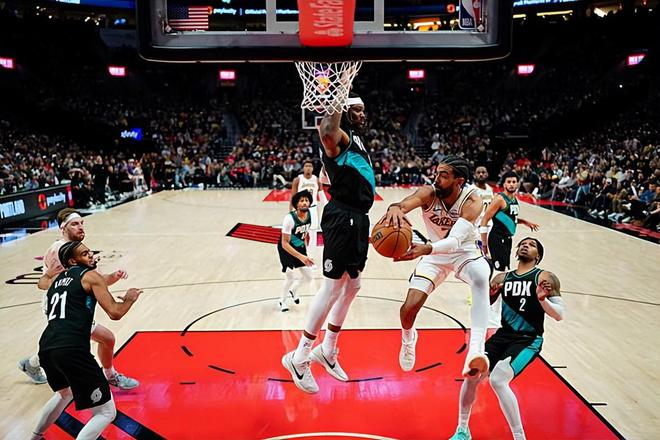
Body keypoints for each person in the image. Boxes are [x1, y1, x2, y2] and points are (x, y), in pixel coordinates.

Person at [282, 93, 375, 393]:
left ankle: (328, 349)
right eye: (357, 110)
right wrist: (338, 94)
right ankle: (299, 357)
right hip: (343, 217)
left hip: (357, 217)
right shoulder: (339, 138)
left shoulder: (355, 139)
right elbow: (326, 131)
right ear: (344, 113)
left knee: (353, 285)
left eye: (363, 110)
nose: (363, 115)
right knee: (332, 288)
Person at [382, 156, 492, 377]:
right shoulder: (429, 192)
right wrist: (395, 208)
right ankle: (409, 338)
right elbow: (406, 202)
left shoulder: (473, 200)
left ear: (459, 181)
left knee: (481, 275)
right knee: (408, 309)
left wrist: (425, 249)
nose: (437, 179)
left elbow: (454, 242)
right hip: (434, 256)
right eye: (437, 173)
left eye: (444, 175)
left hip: (463, 252)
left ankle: (476, 349)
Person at [448, 238, 565, 440]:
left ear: (538, 255)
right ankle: (462, 430)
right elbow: (483, 305)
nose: (526, 246)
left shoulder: (545, 278)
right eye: (523, 244)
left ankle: (519, 437)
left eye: (532, 245)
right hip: (503, 335)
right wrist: (490, 296)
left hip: (528, 339)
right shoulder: (502, 278)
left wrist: (542, 300)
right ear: (516, 251)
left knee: (498, 379)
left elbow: (559, 315)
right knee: (472, 374)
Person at [29, 241, 142, 440]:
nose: (91, 255)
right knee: (106, 412)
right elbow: (115, 312)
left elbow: (41, 283)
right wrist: (129, 299)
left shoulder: (56, 279)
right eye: (84, 254)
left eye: (90, 251)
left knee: (65, 394)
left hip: (46, 347)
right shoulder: (90, 276)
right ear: (73, 261)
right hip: (71, 349)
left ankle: (34, 438)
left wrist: (47, 274)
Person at [18, 208, 139, 390]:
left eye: (82, 223)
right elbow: (46, 283)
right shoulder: (58, 251)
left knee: (104, 339)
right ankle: (102, 379)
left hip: (75, 304)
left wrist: (114, 276)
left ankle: (32, 364)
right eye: (75, 224)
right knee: (80, 346)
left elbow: (97, 280)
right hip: (62, 306)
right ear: (63, 227)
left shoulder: (77, 249)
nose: (81, 227)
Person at [480, 171, 539, 272]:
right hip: (497, 239)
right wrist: (484, 244)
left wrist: (525, 222)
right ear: (504, 184)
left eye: (514, 182)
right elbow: (485, 219)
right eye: (509, 182)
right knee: (499, 270)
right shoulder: (499, 199)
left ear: (517, 184)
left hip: (508, 239)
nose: (511, 184)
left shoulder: (514, 199)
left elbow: (510, 218)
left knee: (505, 268)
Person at [278, 190, 315, 312]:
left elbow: (305, 234)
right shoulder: (289, 219)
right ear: (296, 204)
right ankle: (282, 301)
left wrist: (305, 251)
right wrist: (301, 256)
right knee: (290, 276)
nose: (304, 203)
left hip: (299, 246)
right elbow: (284, 243)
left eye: (306, 200)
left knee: (309, 276)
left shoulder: (309, 214)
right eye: (301, 201)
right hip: (286, 248)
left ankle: (294, 290)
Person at [468, 166, 494, 306]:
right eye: (478, 172)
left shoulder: (490, 189)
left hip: (490, 229)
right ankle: (473, 294)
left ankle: (484, 292)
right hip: (476, 230)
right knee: (479, 263)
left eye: (483, 172)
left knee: (489, 262)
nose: (481, 174)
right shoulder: (471, 190)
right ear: (474, 175)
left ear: (487, 174)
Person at [290, 160, 321, 248]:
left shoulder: (317, 180)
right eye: (306, 166)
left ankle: (312, 251)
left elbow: (321, 195)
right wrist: (291, 211)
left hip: (313, 208)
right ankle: (300, 250)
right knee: (300, 232)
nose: (308, 168)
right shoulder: (297, 180)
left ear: (313, 169)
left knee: (313, 232)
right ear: (303, 168)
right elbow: (293, 198)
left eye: (310, 166)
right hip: (301, 209)